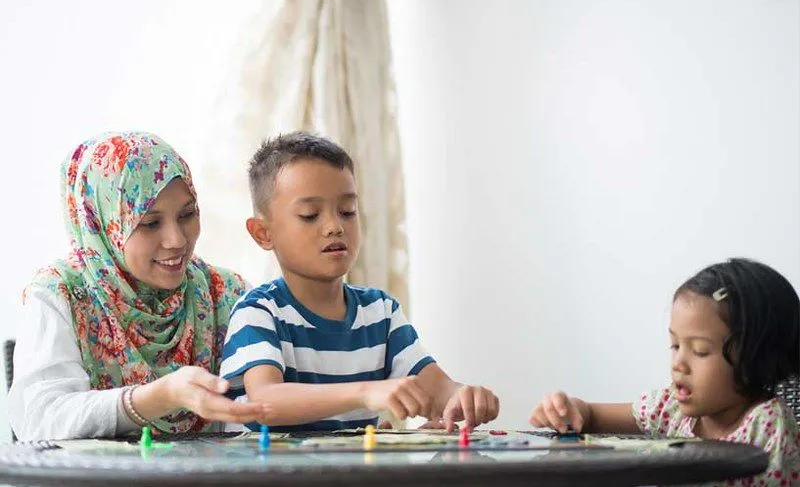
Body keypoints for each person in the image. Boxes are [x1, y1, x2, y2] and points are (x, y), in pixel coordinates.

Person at [220, 131, 500, 432]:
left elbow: (437, 389)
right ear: (263, 233)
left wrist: (464, 397)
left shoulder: (380, 312)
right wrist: (366, 391)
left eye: (347, 211)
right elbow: (265, 403)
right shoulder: (258, 312)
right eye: (310, 215)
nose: (334, 227)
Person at [9, 132, 266, 440]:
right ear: (103, 223)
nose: (177, 240)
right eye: (148, 223)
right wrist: (159, 397)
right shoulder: (61, 294)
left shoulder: (225, 292)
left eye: (187, 215)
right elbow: (39, 419)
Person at [530, 258, 799, 485]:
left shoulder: (768, 424)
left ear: (759, 358)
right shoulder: (671, 409)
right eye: (675, 345)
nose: (678, 363)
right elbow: (592, 416)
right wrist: (569, 410)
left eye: (700, 350)